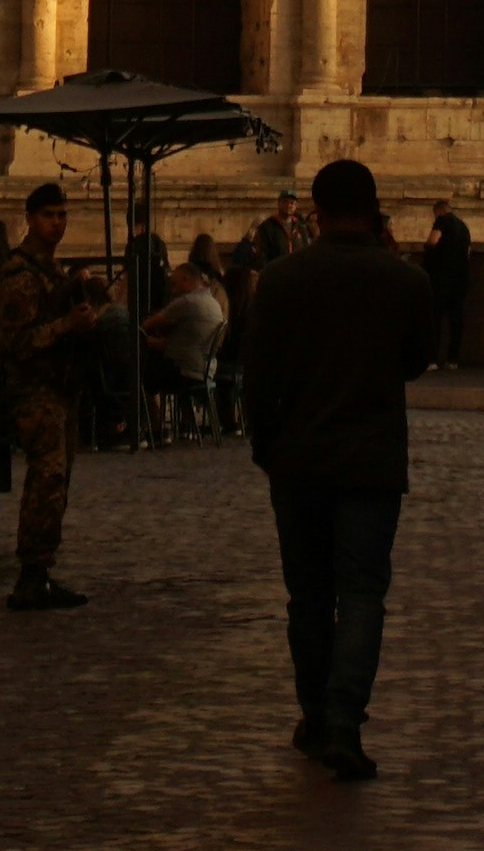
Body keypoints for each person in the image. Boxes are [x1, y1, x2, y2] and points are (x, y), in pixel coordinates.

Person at [240, 155, 437, 779]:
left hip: (297, 459)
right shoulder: (405, 281)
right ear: (373, 210)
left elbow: (256, 376)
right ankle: (346, 721)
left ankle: (316, 714)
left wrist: (266, 447)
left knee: (308, 596)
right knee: (361, 594)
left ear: (316, 212)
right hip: (372, 460)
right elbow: (417, 361)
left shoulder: (280, 279)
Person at [0, 175, 112, 604]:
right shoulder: (19, 275)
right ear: (29, 219)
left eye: (62, 215)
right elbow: (15, 342)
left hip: (60, 389)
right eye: (48, 215)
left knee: (57, 483)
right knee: (46, 479)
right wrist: (66, 326)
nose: (57, 223)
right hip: (34, 391)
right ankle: (31, 574)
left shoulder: (51, 271)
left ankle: (40, 572)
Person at [144, 237, 229, 440]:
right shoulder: (212, 301)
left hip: (186, 371)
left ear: (186, 280)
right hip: (206, 368)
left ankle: (155, 430)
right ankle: (182, 426)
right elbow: (183, 342)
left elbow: (148, 324)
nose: (173, 290)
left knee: (140, 377)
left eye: (175, 284)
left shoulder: (187, 302)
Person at [422, 196, 474, 372]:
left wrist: (427, 247)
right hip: (460, 279)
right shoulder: (463, 226)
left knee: (435, 318)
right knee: (456, 320)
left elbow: (433, 241)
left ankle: (432, 359)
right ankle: (453, 359)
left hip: (440, 278)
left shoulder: (442, 221)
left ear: (438, 212)